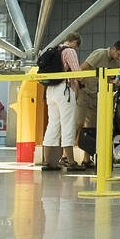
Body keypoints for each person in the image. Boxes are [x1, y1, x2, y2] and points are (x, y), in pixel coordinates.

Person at [75, 40, 120, 168]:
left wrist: (113, 83)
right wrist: (79, 86)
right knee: (77, 123)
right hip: (85, 93)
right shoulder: (100, 54)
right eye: (119, 54)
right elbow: (82, 68)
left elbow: (111, 79)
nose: (119, 57)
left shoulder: (116, 63)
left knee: (91, 128)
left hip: (97, 96)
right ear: (113, 49)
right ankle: (66, 156)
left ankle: (86, 159)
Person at [39, 33, 83, 170]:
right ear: (74, 41)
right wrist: (83, 81)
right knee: (68, 124)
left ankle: (48, 162)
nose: (76, 48)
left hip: (50, 90)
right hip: (64, 90)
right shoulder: (69, 51)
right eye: (77, 45)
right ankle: (70, 161)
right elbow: (77, 73)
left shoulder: (54, 50)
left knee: (52, 124)